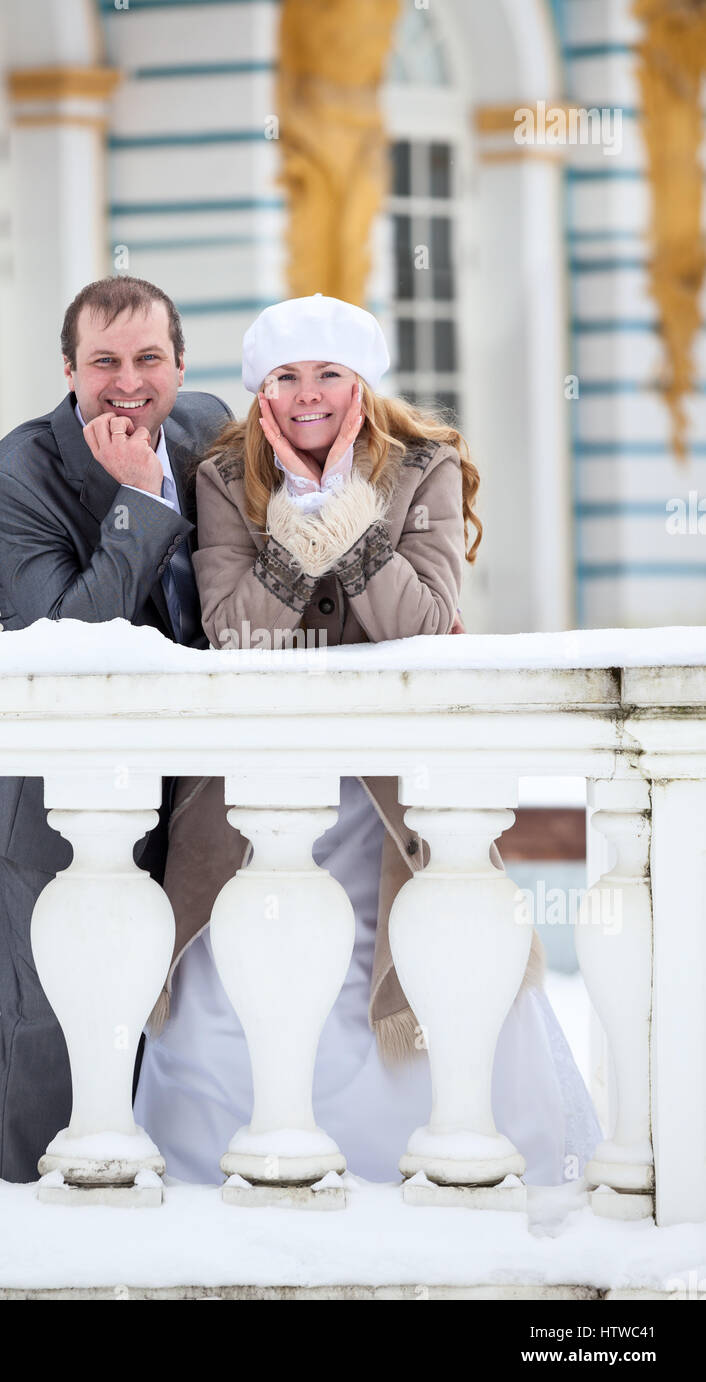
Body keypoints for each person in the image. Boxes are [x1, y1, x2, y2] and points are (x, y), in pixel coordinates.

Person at [133, 293, 602, 1186]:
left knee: (404, 968)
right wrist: (292, 517)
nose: (309, 396)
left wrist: (340, 508)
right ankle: (235, 1177)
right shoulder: (227, 476)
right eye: (287, 377)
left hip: (390, 794)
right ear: (260, 390)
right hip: (254, 793)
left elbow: (424, 622)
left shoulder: (423, 467)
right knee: (250, 975)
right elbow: (238, 629)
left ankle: (419, 1172)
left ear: (363, 383)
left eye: (330, 375)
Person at [0, 276, 232, 1183]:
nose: (129, 382)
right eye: (104, 362)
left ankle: (145, 1198)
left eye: (148, 358)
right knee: (50, 1024)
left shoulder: (206, 430)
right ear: (69, 370)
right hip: (55, 802)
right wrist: (139, 501)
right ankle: (25, 1217)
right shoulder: (12, 479)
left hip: (190, 797)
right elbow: (72, 642)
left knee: (172, 1012)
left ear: (180, 365)